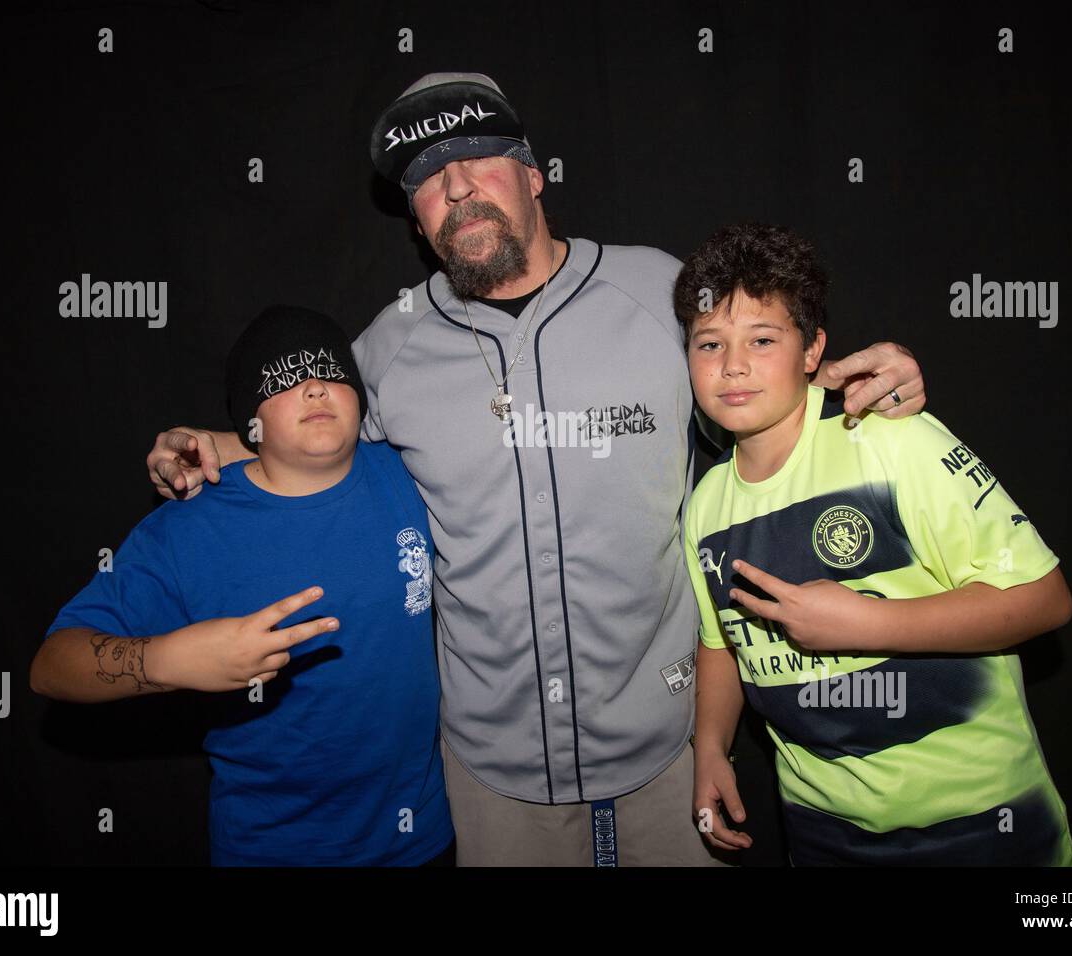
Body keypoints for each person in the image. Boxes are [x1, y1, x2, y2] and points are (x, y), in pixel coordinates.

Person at [145, 73, 929, 866]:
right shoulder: (390, 346)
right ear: (415, 219)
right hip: (491, 786)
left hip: (671, 756)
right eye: (426, 179)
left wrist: (865, 377)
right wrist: (220, 441)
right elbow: (315, 435)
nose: (456, 188)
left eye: (478, 159)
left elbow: (765, 383)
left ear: (532, 174)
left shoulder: (659, 294)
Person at [679, 223, 1072, 865]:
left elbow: (1046, 600)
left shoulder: (891, 440)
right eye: (708, 343)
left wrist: (869, 621)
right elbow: (720, 641)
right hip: (822, 832)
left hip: (985, 820)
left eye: (761, 338)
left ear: (813, 351)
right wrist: (708, 746)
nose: (733, 365)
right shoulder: (705, 506)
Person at [32, 306, 453, 867]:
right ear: (248, 416)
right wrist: (168, 659)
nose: (314, 387)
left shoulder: (410, 476)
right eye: (284, 377)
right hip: (274, 848)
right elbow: (51, 667)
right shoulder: (187, 528)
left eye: (329, 371)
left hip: (421, 838)